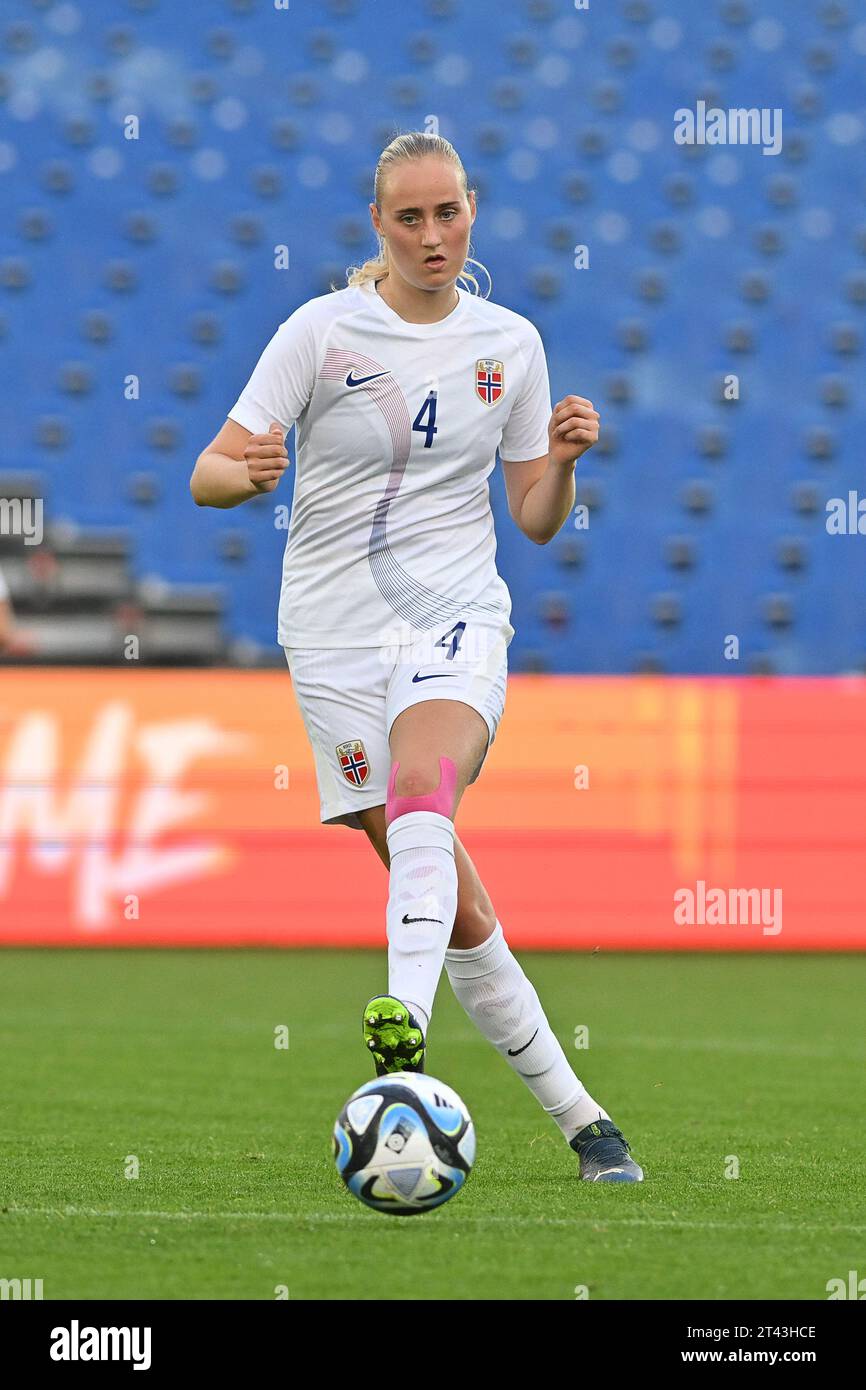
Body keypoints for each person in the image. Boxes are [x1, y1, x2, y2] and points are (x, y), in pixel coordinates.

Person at [191, 131, 642, 1181]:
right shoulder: (319, 332)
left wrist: (562, 465)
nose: (431, 236)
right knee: (451, 896)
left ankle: (402, 1045)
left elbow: (532, 516)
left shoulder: (510, 345)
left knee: (420, 791)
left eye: (447, 215)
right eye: (410, 218)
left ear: (471, 212)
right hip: (331, 634)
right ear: (377, 226)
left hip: (451, 616)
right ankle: (586, 1123)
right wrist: (243, 473)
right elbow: (209, 471)